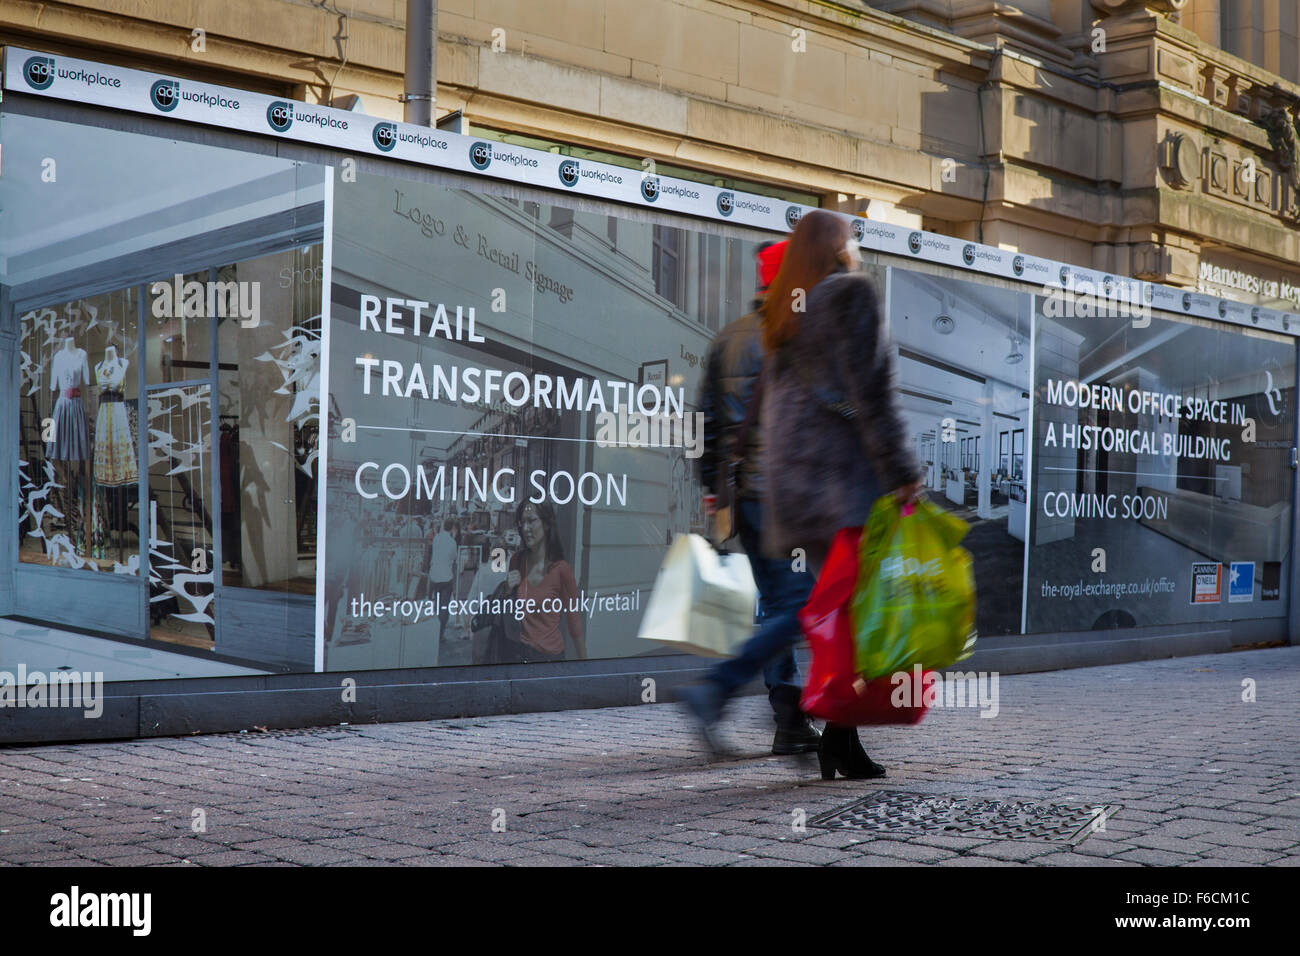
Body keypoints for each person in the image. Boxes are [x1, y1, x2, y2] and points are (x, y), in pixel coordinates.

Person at [761, 209, 923, 780]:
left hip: (798, 491)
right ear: (837, 247)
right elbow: (873, 390)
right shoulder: (852, 295)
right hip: (842, 486)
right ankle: (831, 726)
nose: (855, 247)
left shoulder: (788, 307)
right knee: (855, 614)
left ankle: (840, 741)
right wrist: (902, 468)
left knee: (837, 613)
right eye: (850, 238)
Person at [679, 239, 821, 757]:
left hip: (744, 499)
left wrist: (713, 491)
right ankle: (713, 690)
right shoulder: (800, 336)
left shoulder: (728, 338)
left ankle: (789, 720)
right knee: (803, 606)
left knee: (779, 604)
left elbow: (705, 424)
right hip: (785, 497)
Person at [498, 500, 586, 663]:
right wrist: (507, 589)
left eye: (531, 521)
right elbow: (505, 611)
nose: (525, 528)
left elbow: (574, 620)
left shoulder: (561, 569)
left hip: (550, 658)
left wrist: (584, 665)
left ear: (546, 524)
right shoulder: (516, 561)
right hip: (519, 654)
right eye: (522, 522)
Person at [428, 517, 460, 642]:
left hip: (434, 575)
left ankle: (434, 629)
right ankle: (440, 634)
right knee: (444, 606)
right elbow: (454, 558)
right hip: (446, 577)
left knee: (436, 604)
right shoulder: (452, 542)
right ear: (452, 528)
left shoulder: (436, 538)